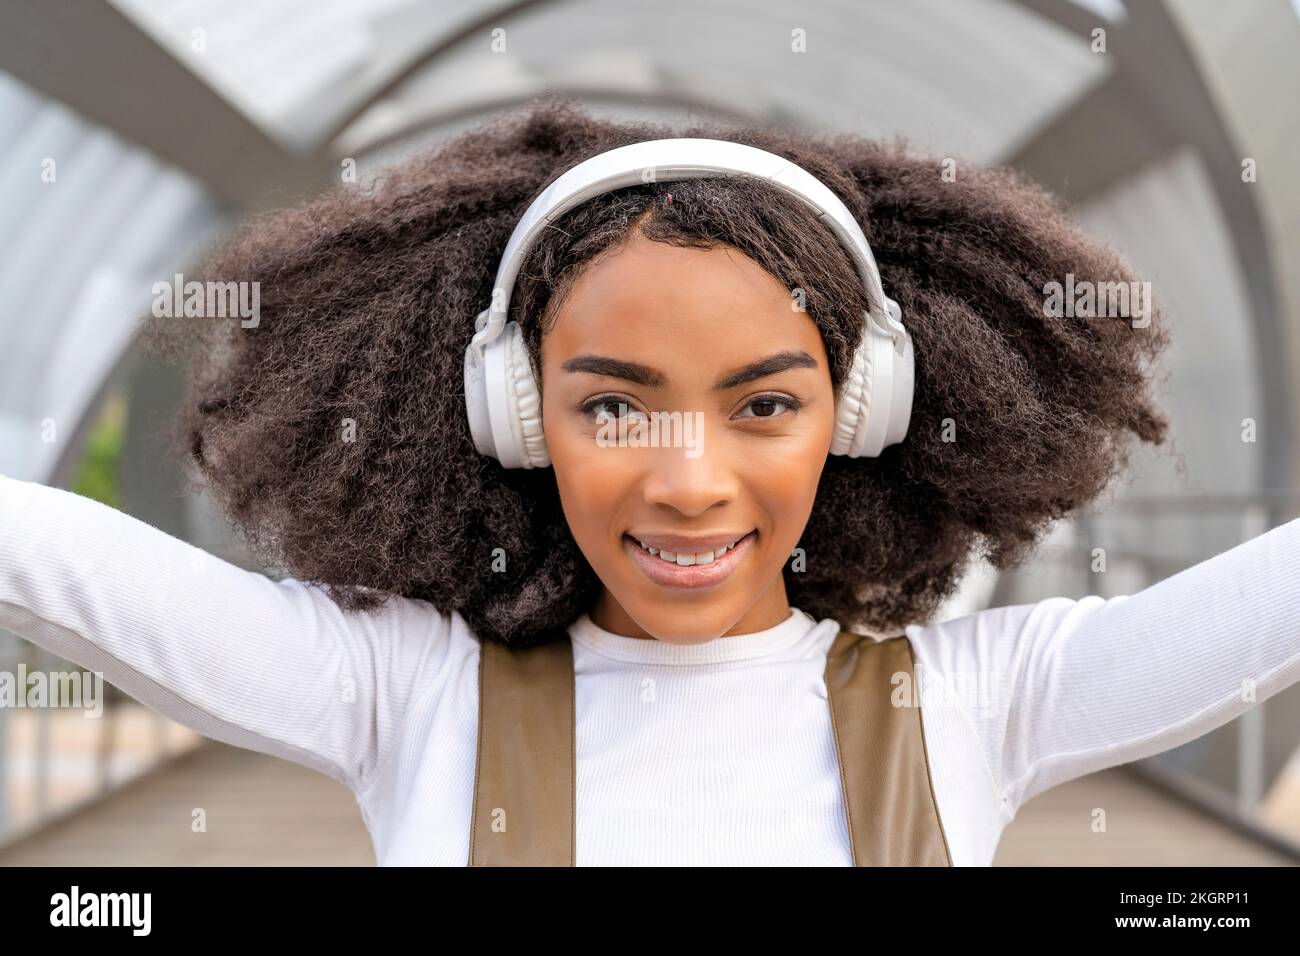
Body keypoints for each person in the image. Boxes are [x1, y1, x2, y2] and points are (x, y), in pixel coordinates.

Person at [1, 94, 1297, 865]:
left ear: (861, 415)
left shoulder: (985, 700)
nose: (688, 481)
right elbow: (47, 551)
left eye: (766, 404)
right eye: (614, 403)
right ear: (513, 416)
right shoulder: (403, 693)